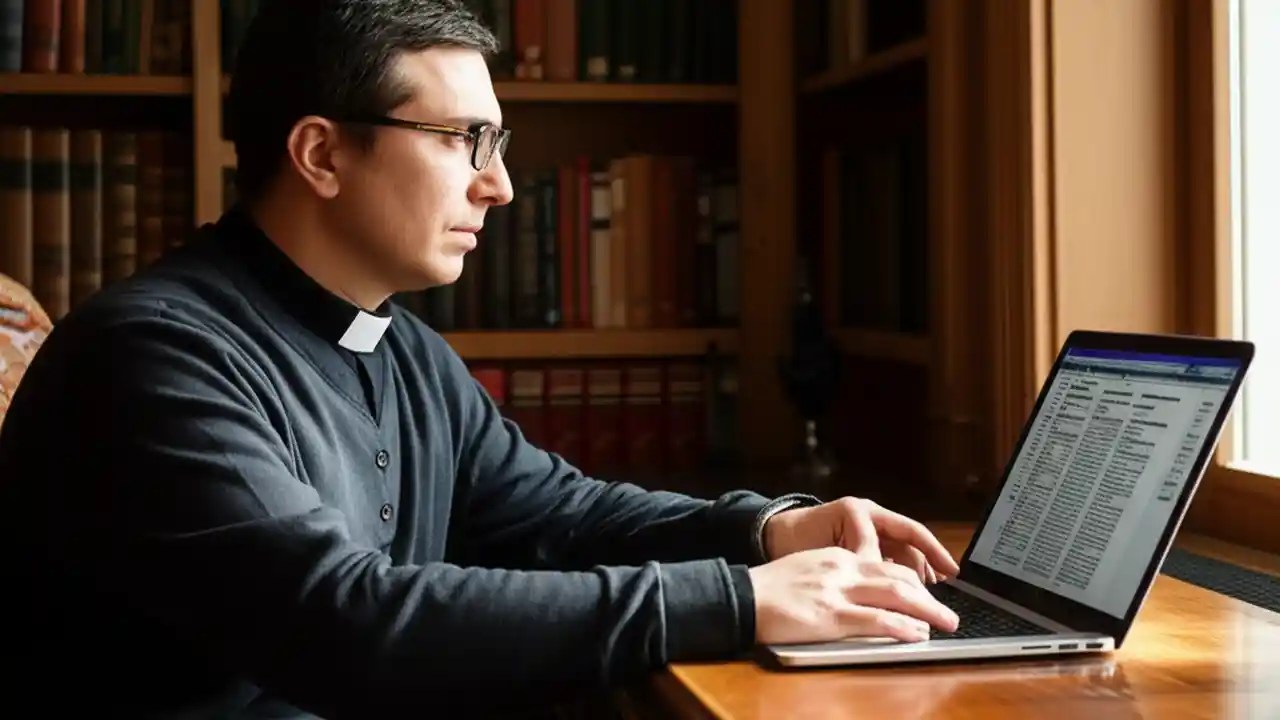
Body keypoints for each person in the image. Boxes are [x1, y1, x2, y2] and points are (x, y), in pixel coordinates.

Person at [0, 1, 961, 717]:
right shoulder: (156, 359)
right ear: (321, 155)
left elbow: (557, 513)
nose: (498, 185)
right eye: (467, 140)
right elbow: (343, 621)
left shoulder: (398, 342)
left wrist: (767, 534)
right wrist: (737, 600)